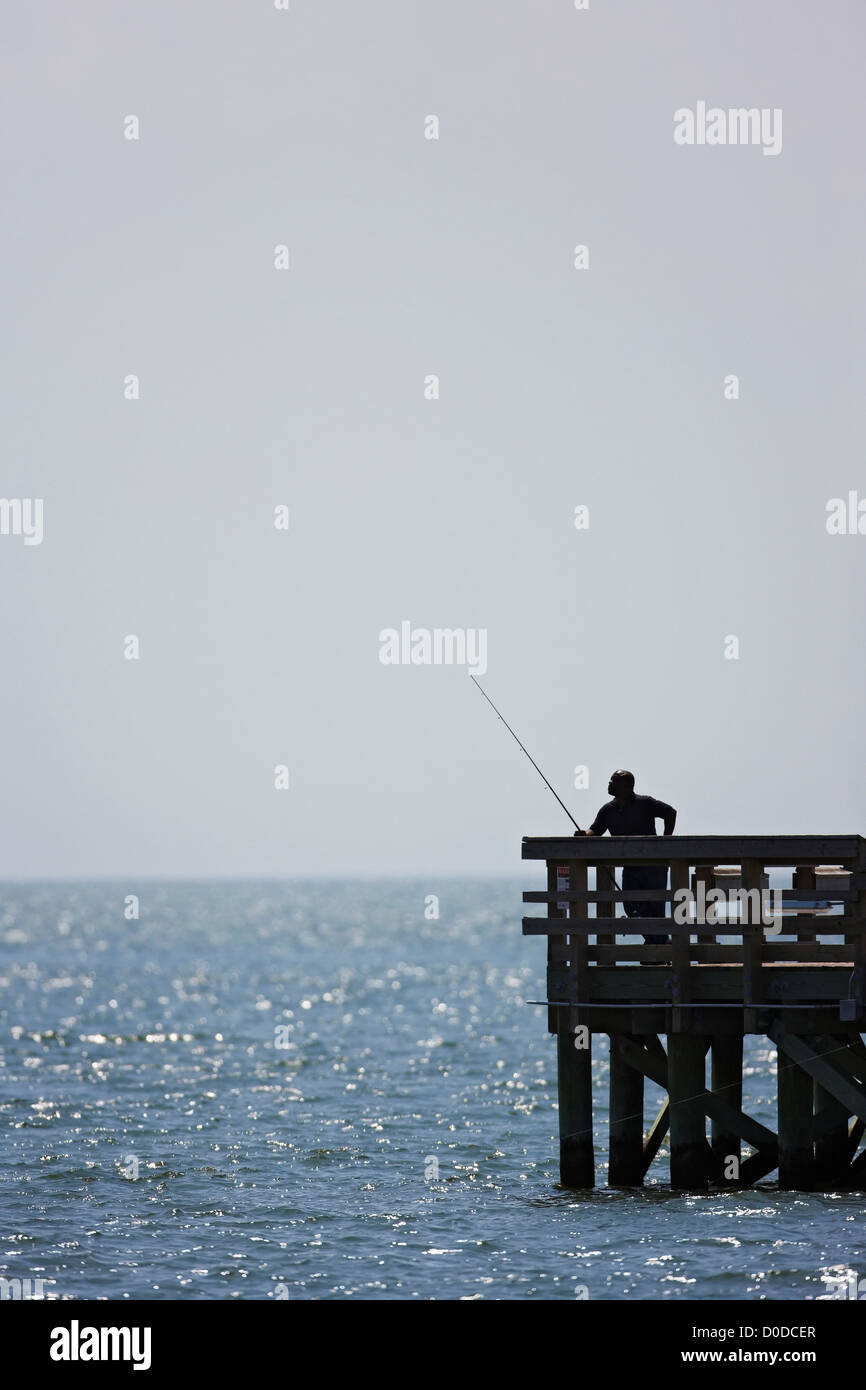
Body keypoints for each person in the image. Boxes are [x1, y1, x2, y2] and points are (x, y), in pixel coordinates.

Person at [576, 770, 676, 946]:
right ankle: (661, 943)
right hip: (630, 867)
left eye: (614, 781)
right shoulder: (608, 810)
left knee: (655, 908)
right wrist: (584, 834)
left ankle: (656, 949)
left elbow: (670, 813)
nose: (609, 783)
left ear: (628, 786)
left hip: (654, 867)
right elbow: (596, 830)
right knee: (631, 907)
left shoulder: (645, 803)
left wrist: (664, 842)